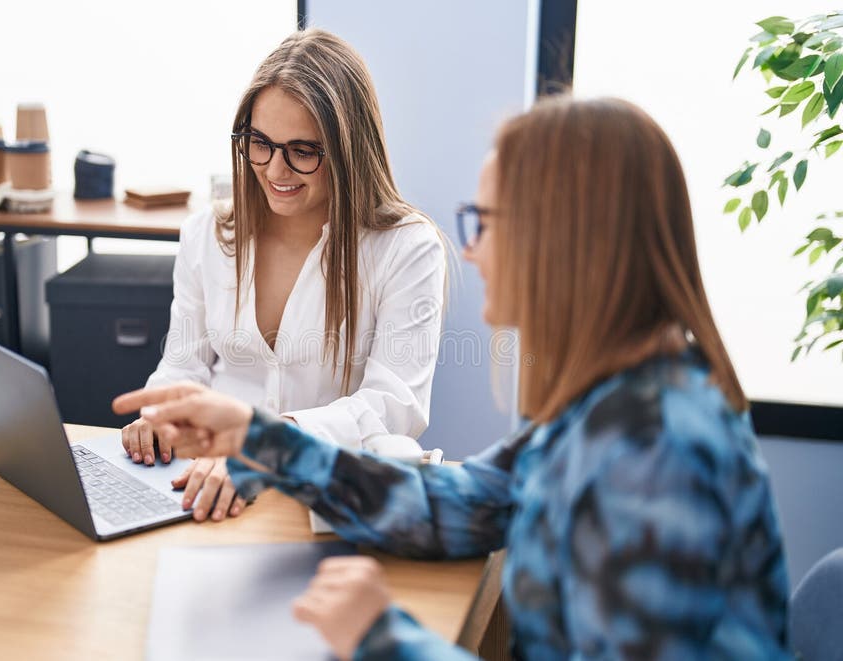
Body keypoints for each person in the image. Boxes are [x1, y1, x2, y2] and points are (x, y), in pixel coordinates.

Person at [113, 96, 791, 659]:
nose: (470, 249)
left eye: (486, 223)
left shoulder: (655, 455)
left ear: (563, 241)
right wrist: (262, 439)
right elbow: (458, 502)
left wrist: (385, 637)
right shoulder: (609, 402)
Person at [121, 28, 447, 522]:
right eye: (260, 143)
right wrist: (157, 414)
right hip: (207, 486)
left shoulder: (406, 247)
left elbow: (393, 404)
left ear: (348, 149)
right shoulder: (206, 235)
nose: (275, 169)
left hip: (319, 498)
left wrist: (264, 442)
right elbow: (182, 365)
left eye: (303, 150)